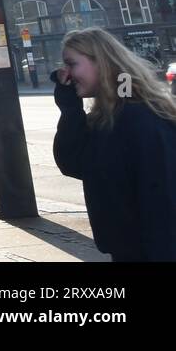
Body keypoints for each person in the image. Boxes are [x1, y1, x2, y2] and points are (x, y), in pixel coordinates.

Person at [51, 27, 176, 261]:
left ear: (101, 62)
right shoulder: (112, 115)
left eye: (72, 64)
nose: (64, 73)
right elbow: (74, 163)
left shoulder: (138, 118)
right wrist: (70, 108)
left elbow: (163, 204)